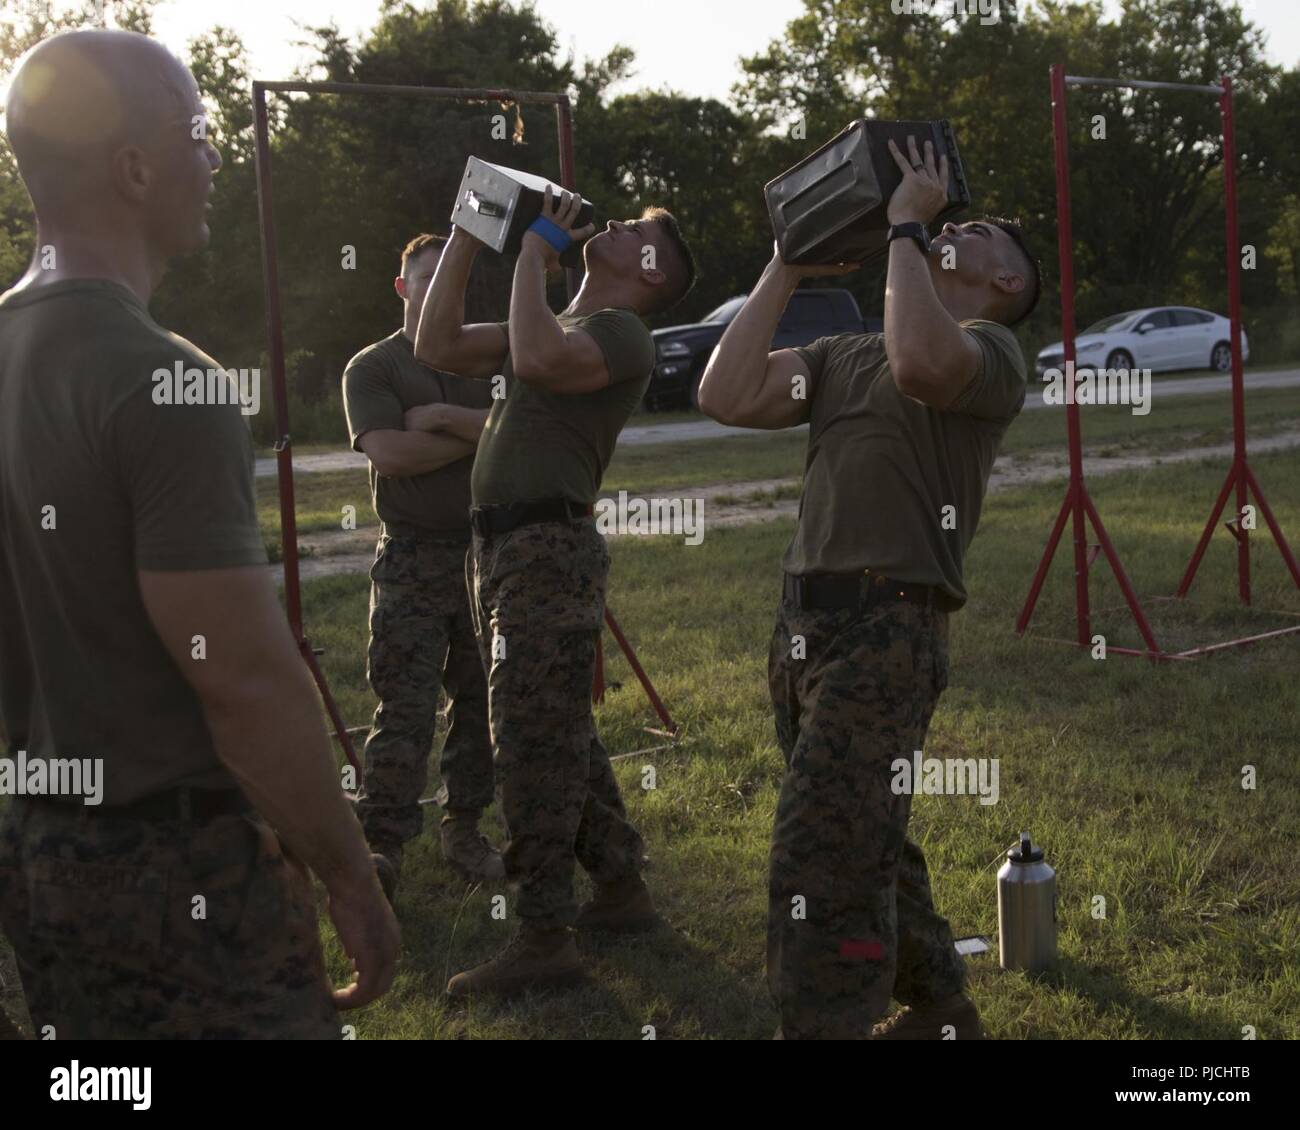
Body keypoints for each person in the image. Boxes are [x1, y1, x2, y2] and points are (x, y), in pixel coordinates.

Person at [0, 28, 398, 1039]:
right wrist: (350, 874)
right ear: (134, 168)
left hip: (43, 856)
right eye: (199, 131)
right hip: (180, 875)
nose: (217, 156)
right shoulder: (164, 380)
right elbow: (241, 678)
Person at [698, 135, 1039, 1039]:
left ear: (1008, 282)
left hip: (890, 630)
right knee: (861, 829)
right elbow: (725, 395)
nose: (963, 228)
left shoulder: (995, 351)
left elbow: (924, 363)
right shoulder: (846, 353)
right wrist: (785, 265)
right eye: (955, 223)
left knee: (822, 856)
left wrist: (904, 229)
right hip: (801, 625)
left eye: (987, 233)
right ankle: (941, 1006)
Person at [416, 190, 696, 995]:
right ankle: (621, 887)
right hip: (500, 546)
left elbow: (536, 362)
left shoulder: (621, 335)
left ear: (650, 270)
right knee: (556, 728)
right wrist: (469, 236)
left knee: (529, 740)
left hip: (547, 548)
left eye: (633, 232)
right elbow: (434, 340)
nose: (607, 226)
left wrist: (535, 251)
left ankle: (544, 936)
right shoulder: (555, 323)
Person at [342, 232, 501, 898]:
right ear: (403, 287)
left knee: (480, 701)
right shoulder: (373, 368)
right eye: (425, 277)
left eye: (449, 278)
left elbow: (518, 428)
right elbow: (392, 456)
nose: (438, 288)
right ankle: (382, 843)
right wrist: (479, 433)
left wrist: (436, 417)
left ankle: (463, 827)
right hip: (410, 556)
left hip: (482, 555)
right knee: (404, 704)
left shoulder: (484, 356)